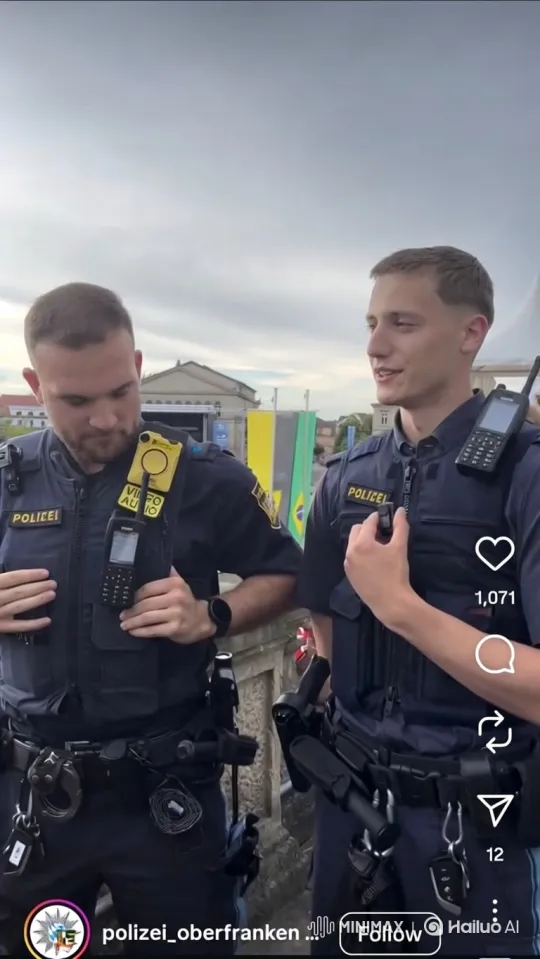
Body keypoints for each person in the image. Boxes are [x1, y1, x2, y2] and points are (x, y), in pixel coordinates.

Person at [0, 283, 303, 956]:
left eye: (120, 391)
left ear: (137, 365)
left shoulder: (203, 478)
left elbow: (289, 573)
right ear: (33, 384)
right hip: (36, 801)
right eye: (76, 401)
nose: (107, 418)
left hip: (165, 805)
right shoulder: (9, 477)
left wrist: (213, 613)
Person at [296, 247, 540, 956]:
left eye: (402, 322)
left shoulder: (525, 474)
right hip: (355, 816)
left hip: (480, 830)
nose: (375, 345)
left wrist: (401, 607)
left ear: (472, 333)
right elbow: (325, 628)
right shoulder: (344, 477)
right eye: (372, 322)